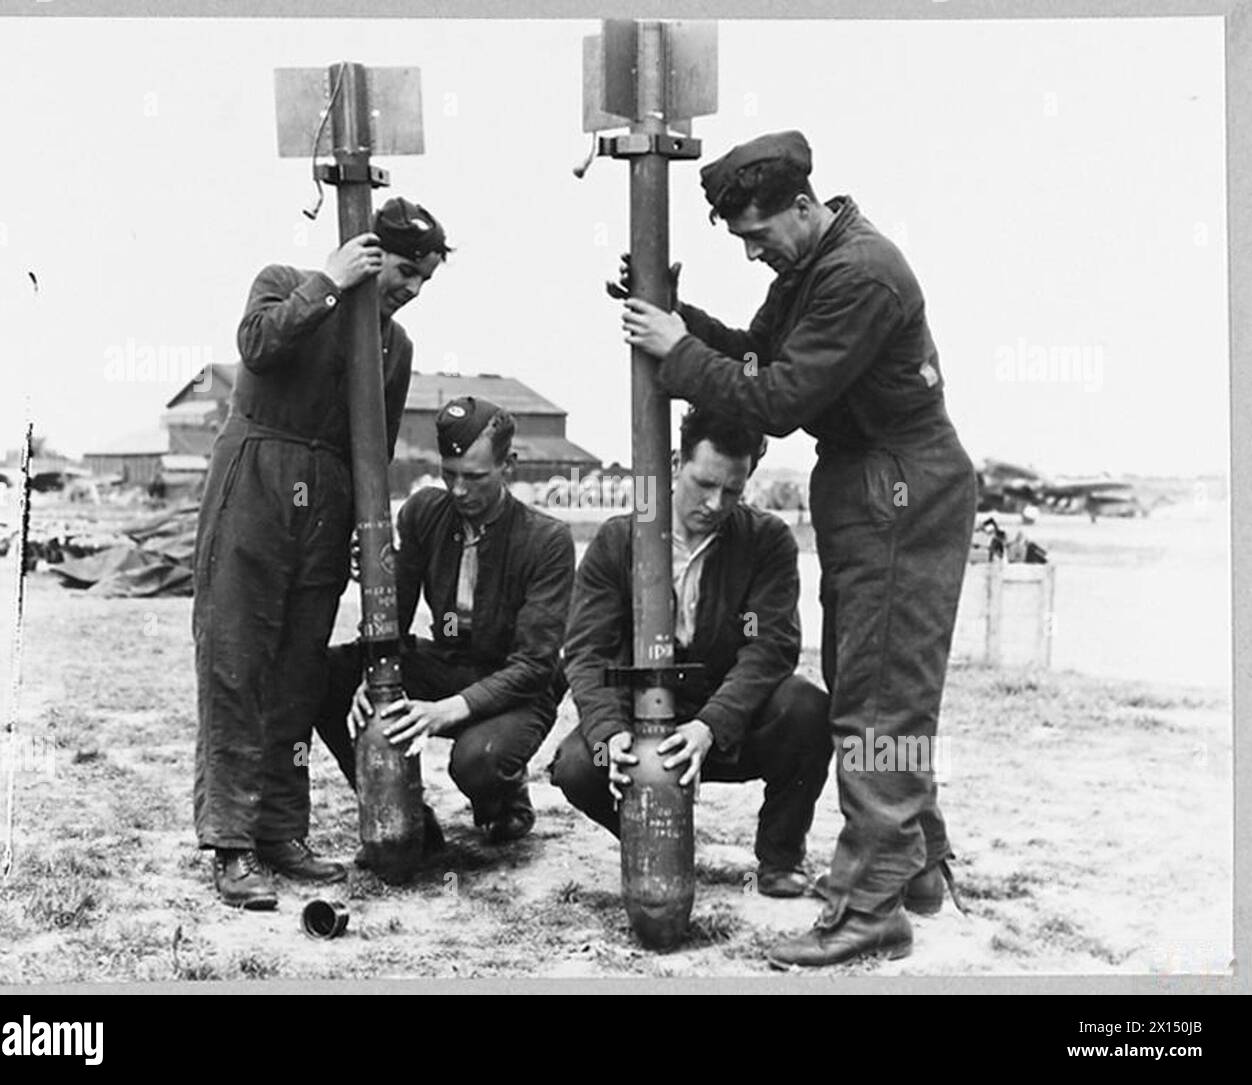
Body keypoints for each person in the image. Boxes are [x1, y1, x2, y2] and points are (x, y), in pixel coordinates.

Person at [619, 131, 977, 966]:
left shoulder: (857, 274)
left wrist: (677, 351)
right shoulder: (813, 267)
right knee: (870, 678)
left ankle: (870, 908)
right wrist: (680, 323)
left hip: (898, 486)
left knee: (881, 698)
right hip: (869, 482)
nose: (752, 253)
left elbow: (777, 397)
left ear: (803, 206)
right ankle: (914, 863)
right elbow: (754, 352)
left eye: (756, 235)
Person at [194, 197, 449, 909]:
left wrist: (373, 532)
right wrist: (329, 284)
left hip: (330, 500)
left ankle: (280, 832)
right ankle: (232, 842)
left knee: (299, 669)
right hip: (256, 478)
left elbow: (380, 446)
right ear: (368, 251)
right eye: (405, 270)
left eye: (425, 279)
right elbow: (258, 344)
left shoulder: (394, 347)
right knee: (237, 661)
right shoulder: (285, 281)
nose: (413, 289)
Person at [550, 408, 832, 898]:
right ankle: (653, 832)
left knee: (808, 710)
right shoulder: (619, 540)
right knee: (579, 764)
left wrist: (710, 726)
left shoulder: (766, 541)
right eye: (704, 483)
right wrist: (609, 733)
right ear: (677, 461)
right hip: (641, 722)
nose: (715, 502)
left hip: (725, 725)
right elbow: (586, 651)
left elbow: (771, 646)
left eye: (733, 490)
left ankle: (781, 858)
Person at [312, 396, 576, 847]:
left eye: (474, 477)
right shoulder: (425, 513)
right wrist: (369, 675)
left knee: (479, 761)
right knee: (324, 677)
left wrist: (444, 711)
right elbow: (395, 609)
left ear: (507, 465)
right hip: (449, 660)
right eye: (449, 474)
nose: (458, 490)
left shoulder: (548, 540)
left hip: (517, 686)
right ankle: (407, 816)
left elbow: (534, 665)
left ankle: (505, 798)